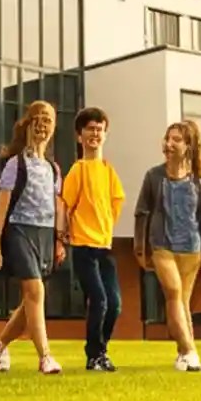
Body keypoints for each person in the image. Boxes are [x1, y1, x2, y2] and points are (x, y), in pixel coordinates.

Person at [0, 100, 66, 375]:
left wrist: (59, 240)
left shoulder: (54, 169)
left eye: (49, 121)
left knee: (31, 300)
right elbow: (2, 206)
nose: (43, 125)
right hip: (19, 230)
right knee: (36, 291)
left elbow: (56, 207)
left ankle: (0, 346)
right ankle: (45, 356)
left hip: (45, 234)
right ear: (28, 123)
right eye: (39, 119)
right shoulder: (14, 164)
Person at [133, 121, 201, 372]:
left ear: (189, 145)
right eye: (167, 138)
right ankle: (191, 351)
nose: (169, 144)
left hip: (191, 248)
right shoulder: (154, 176)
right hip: (162, 245)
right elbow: (141, 212)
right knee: (172, 293)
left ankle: (183, 353)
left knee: (182, 302)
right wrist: (139, 248)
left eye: (176, 140)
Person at [61, 107, 125, 372]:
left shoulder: (109, 171)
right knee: (98, 300)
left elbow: (115, 203)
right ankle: (93, 355)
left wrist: (106, 229)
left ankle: (102, 351)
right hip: (83, 247)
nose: (95, 133)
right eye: (89, 129)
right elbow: (65, 205)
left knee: (115, 304)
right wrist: (61, 237)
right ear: (80, 136)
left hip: (104, 247)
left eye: (99, 129)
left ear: (105, 135)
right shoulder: (78, 170)